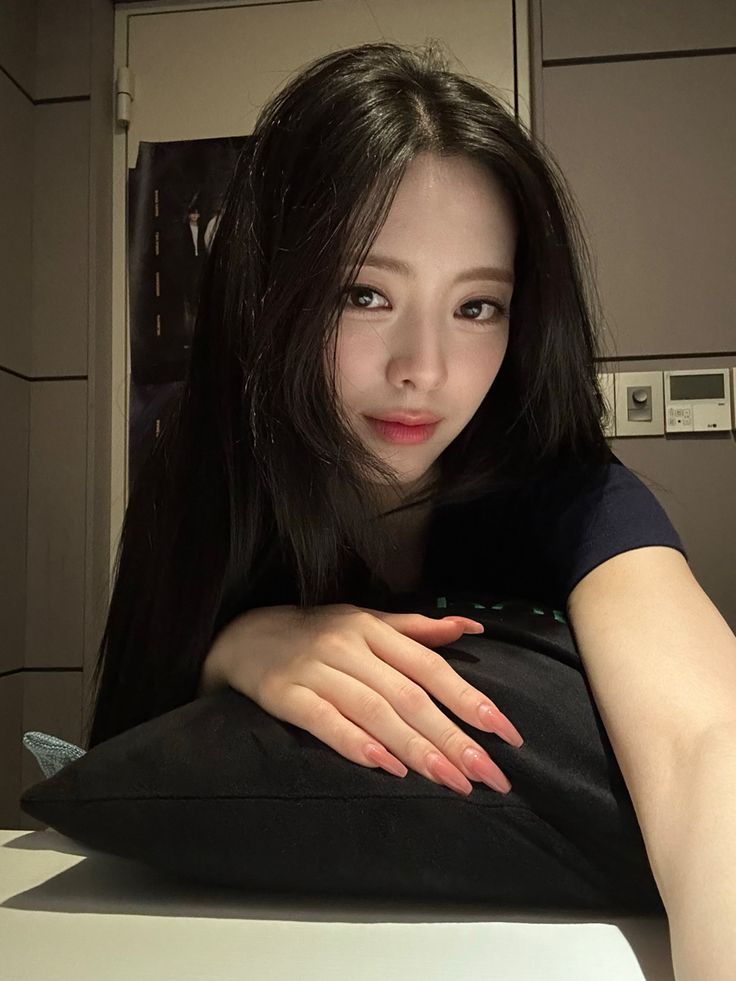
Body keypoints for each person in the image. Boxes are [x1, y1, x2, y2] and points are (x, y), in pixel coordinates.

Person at [85, 42, 736, 973]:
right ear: (271, 294)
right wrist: (240, 646)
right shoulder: (206, 490)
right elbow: (123, 753)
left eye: (478, 307)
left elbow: (708, 738)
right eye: (365, 292)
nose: (423, 368)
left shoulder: (570, 492)